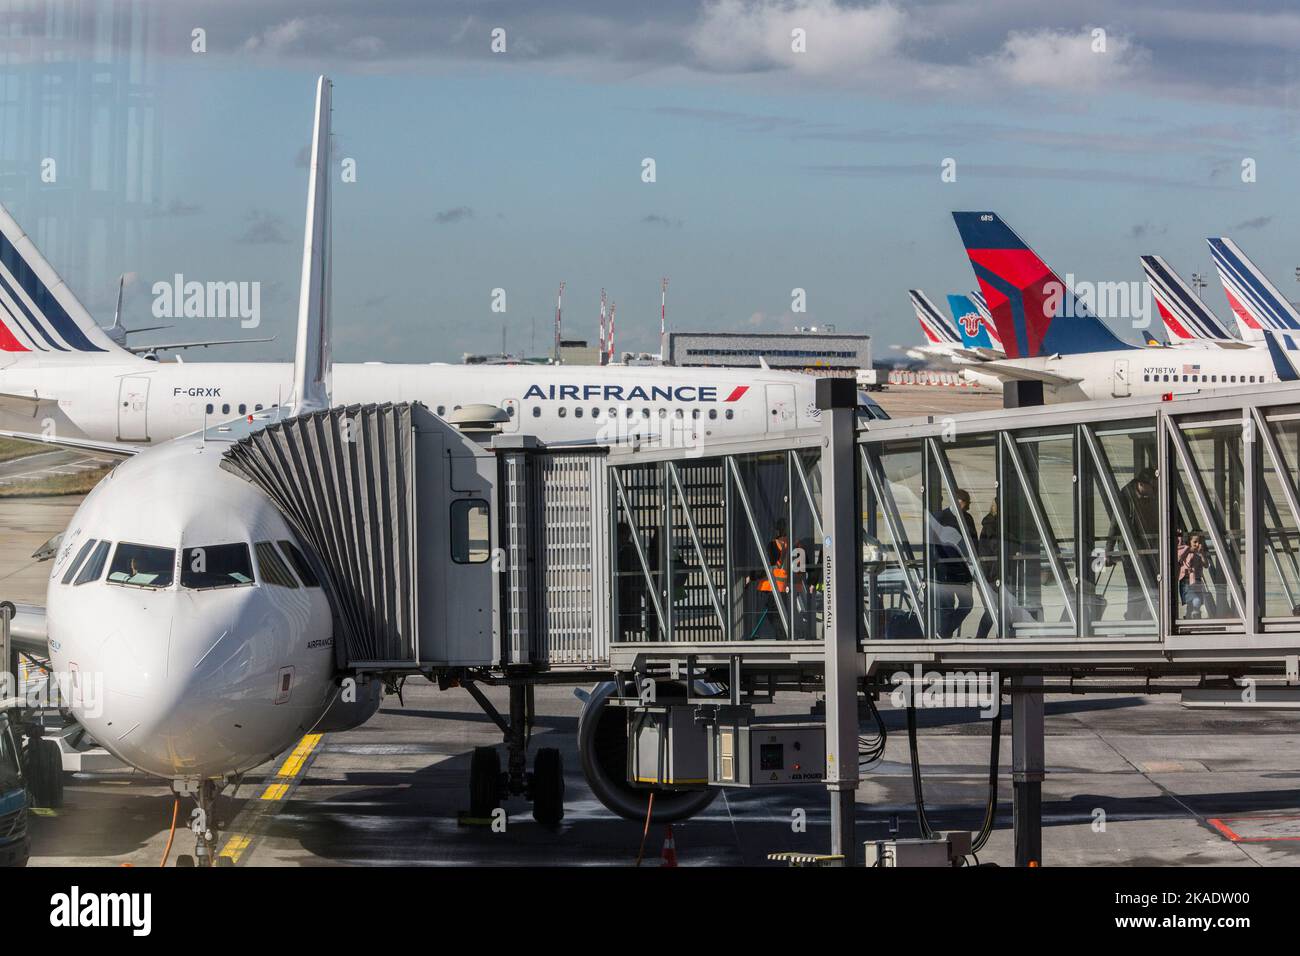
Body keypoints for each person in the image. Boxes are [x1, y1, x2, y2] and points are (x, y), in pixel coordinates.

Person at [1106, 468, 1159, 620]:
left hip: (1151, 548)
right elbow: (1115, 525)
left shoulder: (1150, 495)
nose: (1155, 491)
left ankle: (1147, 617)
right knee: (1135, 587)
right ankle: (1133, 618)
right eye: (1152, 487)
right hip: (1131, 551)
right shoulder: (1125, 496)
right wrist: (1108, 551)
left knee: (1153, 584)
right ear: (1141, 485)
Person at [935, 489, 977, 638]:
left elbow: (974, 542)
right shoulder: (941, 517)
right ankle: (944, 636)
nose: (961, 506)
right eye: (958, 502)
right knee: (947, 606)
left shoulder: (968, 518)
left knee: (967, 604)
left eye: (963, 503)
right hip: (945, 568)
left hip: (963, 568)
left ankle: (943, 633)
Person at [975, 499, 999, 639]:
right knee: (993, 610)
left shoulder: (992, 523)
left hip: (990, 573)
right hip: (988, 575)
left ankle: (998, 636)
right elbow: (996, 547)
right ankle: (982, 638)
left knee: (996, 609)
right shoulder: (992, 525)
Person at [1177, 532, 1210, 618]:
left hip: (1197, 581)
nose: (1197, 544)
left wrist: (1202, 553)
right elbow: (1180, 559)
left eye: (1199, 542)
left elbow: (1206, 565)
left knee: (1192, 604)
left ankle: (1189, 616)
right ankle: (1195, 614)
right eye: (1195, 542)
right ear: (1189, 542)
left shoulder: (1199, 554)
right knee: (1195, 601)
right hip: (1187, 581)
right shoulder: (1186, 551)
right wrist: (1189, 550)